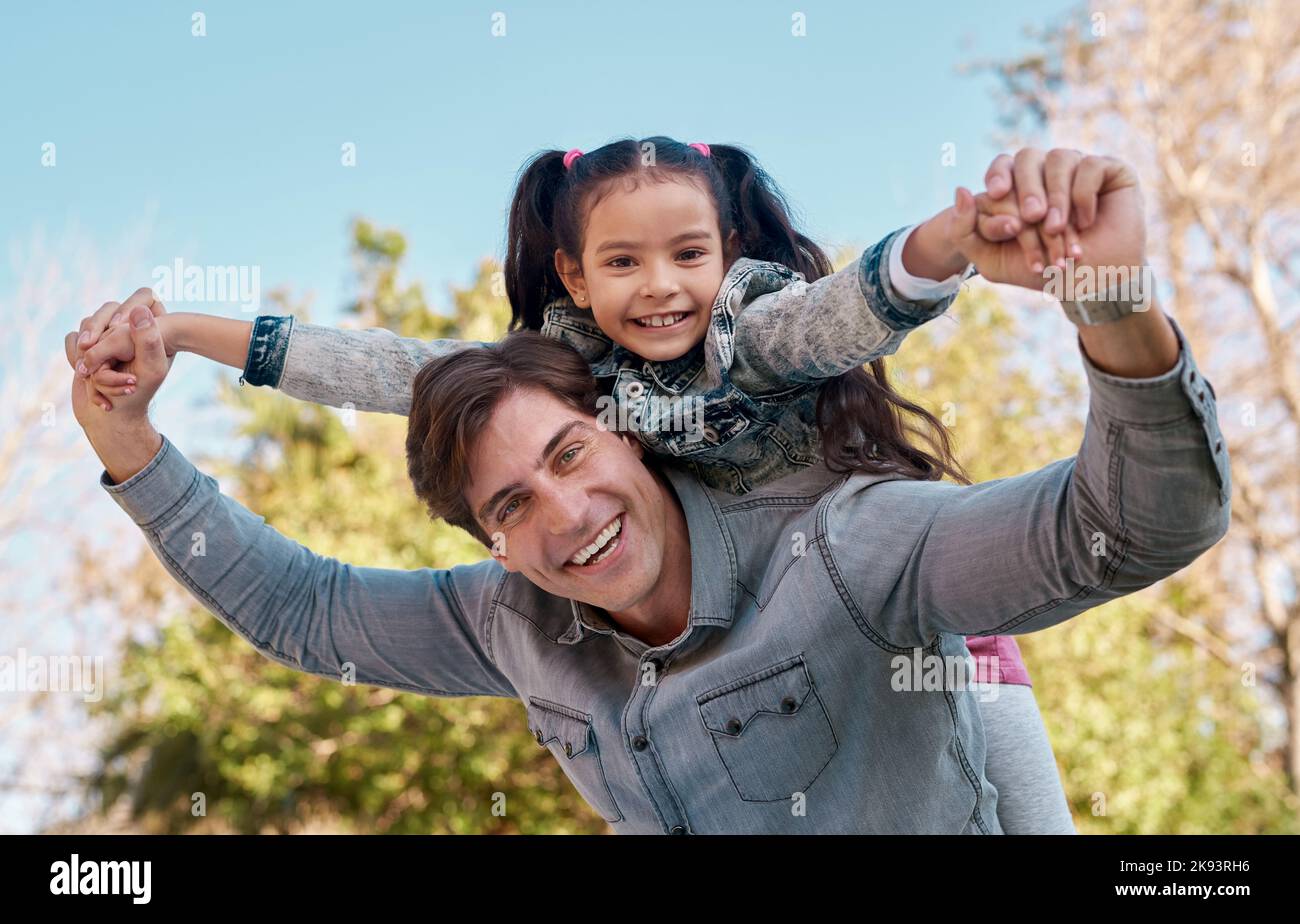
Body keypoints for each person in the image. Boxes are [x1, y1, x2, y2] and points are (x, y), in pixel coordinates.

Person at [66, 150, 1231, 833]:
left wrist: (1084, 281)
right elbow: (310, 584)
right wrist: (150, 397)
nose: (558, 511)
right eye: (508, 506)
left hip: (939, 641)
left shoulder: (819, 477)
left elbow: (1125, 524)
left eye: (568, 459)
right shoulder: (539, 507)